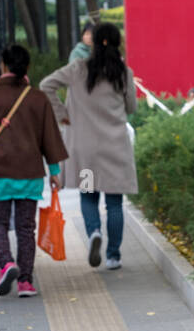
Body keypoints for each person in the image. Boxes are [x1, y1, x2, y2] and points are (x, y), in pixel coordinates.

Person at [0, 44, 67, 296]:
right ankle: (26, 282)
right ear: (26, 67)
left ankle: (7, 263)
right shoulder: (37, 98)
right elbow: (49, 138)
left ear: (3, 66)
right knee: (26, 228)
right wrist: (54, 171)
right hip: (29, 174)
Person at [40, 22, 137, 270]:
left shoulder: (78, 68)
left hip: (84, 150)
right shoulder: (123, 72)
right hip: (114, 147)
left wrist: (63, 112)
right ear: (116, 43)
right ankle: (114, 255)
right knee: (115, 203)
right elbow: (131, 108)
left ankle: (94, 232)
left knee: (88, 195)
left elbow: (46, 85)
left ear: (94, 42)